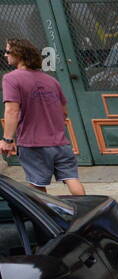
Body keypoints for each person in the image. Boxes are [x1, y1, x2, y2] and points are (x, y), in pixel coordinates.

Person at [0, 37, 85, 195]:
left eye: (7, 51)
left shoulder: (11, 79)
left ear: (18, 54)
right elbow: (64, 111)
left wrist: (7, 139)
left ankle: (44, 218)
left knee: (37, 186)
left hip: (33, 144)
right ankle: (87, 211)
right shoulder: (51, 80)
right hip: (60, 142)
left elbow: (12, 110)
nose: (5, 55)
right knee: (72, 179)